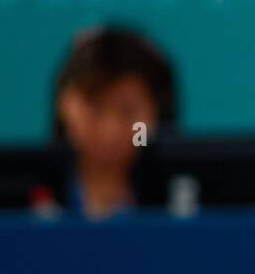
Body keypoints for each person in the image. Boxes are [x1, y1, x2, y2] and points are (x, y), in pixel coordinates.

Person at [51, 26, 178, 219]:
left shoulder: (181, 202)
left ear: (157, 115)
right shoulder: (25, 197)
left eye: (128, 111)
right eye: (95, 107)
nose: (110, 129)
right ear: (63, 105)